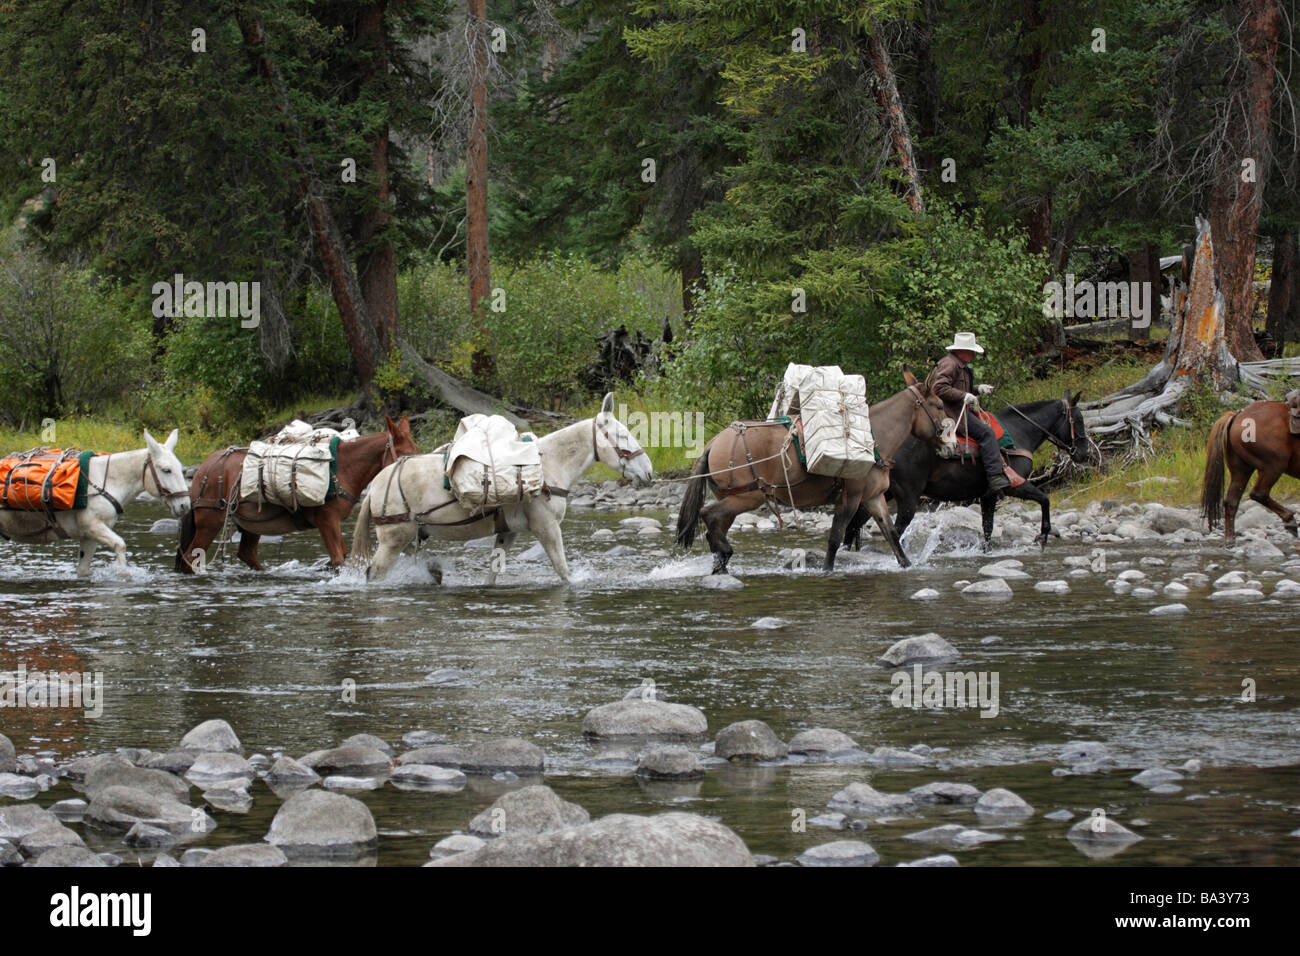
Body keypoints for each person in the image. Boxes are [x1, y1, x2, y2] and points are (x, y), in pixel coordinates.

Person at [928, 332, 1010, 493]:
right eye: (971, 351)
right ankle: (995, 477)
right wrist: (964, 395)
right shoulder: (950, 364)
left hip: (958, 411)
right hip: (952, 414)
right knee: (986, 433)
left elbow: (958, 389)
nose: (973, 355)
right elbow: (938, 388)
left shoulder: (960, 365)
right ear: (962, 351)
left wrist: (977, 389)